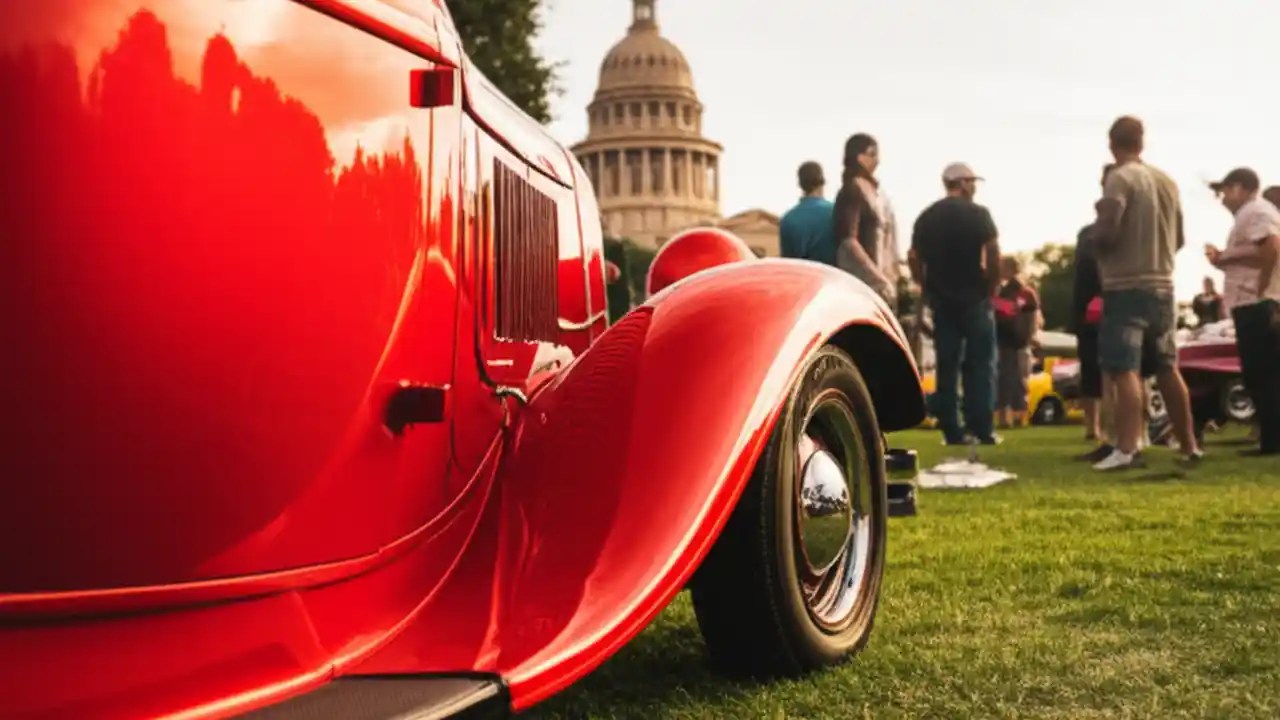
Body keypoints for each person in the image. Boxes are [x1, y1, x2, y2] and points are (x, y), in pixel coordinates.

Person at [1089, 116, 1200, 470]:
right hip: (1164, 285)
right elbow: (1180, 237)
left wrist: (1096, 244)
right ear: (1142, 142)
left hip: (1125, 284)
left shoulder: (1119, 178)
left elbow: (1108, 231)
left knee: (1124, 368)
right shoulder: (1166, 181)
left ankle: (1126, 448)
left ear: (1112, 143)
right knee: (1167, 366)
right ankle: (1189, 445)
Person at [910, 161, 1001, 445]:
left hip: (942, 301)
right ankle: (981, 428)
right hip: (975, 298)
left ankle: (951, 429)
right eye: (971, 181)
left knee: (947, 366)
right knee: (980, 365)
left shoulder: (927, 217)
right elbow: (993, 250)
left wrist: (924, 285)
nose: (974, 187)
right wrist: (992, 286)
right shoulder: (979, 214)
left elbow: (914, 256)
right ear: (961, 183)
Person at [1205, 167, 1280, 455]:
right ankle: (1270, 438)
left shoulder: (1255, 212)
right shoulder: (1254, 214)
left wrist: (1261, 289)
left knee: (1263, 373)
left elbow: (1271, 246)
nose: (1222, 198)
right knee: (1262, 373)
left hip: (1256, 303)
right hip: (1253, 301)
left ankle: (1272, 442)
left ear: (1239, 187)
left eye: (1225, 191)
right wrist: (1226, 259)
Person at [832, 134, 899, 307]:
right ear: (859, 157)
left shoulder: (875, 192)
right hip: (863, 285)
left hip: (879, 284)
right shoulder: (853, 189)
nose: (878, 160)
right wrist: (876, 276)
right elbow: (849, 241)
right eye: (873, 154)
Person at [994, 256, 1041, 428]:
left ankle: (1014, 415)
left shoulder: (1020, 292)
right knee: (1012, 379)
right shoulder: (1018, 291)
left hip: (1013, 339)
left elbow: (1013, 310)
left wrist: (997, 304)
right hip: (1015, 340)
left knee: (1013, 379)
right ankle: (1014, 415)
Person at [779, 161, 836, 265]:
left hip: (804, 278)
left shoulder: (788, 219)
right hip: (835, 277)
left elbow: (788, 264)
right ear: (823, 182)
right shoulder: (836, 212)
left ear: (800, 184)